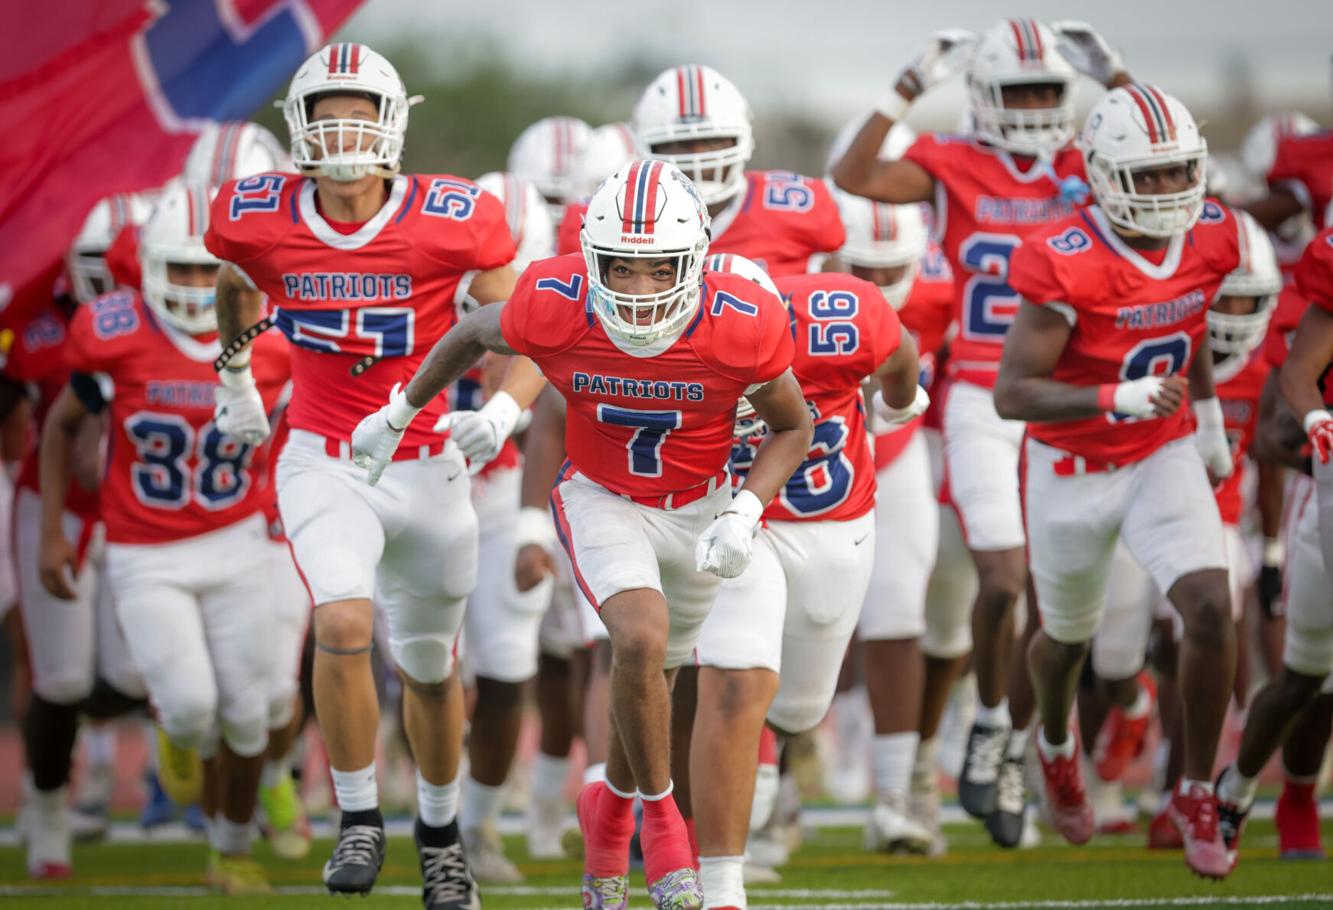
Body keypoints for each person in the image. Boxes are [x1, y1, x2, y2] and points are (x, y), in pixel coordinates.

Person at [350, 159, 813, 910]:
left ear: (695, 260)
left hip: (701, 504)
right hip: (602, 495)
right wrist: (400, 414)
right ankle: (661, 824)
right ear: (593, 260)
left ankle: (608, 814)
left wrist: (745, 509)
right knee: (639, 639)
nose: (638, 287)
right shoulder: (558, 300)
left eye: (658, 267)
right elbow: (472, 331)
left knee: (661, 680)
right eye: (620, 267)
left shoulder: (741, 318)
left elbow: (794, 425)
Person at [204, 43, 518, 908]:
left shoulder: (454, 219)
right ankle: (357, 817)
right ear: (298, 127)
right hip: (322, 454)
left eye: (360, 113)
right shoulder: (257, 213)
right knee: (340, 619)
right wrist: (235, 377)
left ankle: (441, 834)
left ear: (393, 124)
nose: (344, 130)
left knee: (429, 670)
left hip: (427, 464)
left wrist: (501, 412)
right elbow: (236, 281)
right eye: (328, 114)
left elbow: (523, 327)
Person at [830, 18, 1131, 845]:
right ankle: (985, 729)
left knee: (1056, 603)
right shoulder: (952, 161)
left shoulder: (1086, 163)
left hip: (1067, 397)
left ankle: (1003, 739)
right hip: (980, 396)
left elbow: (1170, 173)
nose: (1033, 107)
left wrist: (1118, 82)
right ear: (984, 97)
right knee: (998, 583)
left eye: (1046, 90)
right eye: (1017, 91)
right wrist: (905, 86)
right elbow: (852, 174)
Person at [994, 84, 1242, 879]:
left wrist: (1205, 417)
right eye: (1149, 175)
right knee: (1064, 642)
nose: (1169, 190)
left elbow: (1186, 323)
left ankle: (1195, 790)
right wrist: (1111, 396)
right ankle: (1055, 743)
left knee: (1211, 608)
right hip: (1070, 465)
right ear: (1103, 176)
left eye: (1179, 171)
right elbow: (1011, 393)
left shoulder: (1213, 234)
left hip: (1159, 453)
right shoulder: (1065, 255)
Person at [41, 183, 289, 893]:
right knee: (189, 707)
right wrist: (53, 531)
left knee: (249, 714)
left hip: (239, 541)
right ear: (148, 264)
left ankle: (230, 849)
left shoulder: (275, 341)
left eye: (207, 270)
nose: (193, 284)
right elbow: (61, 425)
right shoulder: (113, 331)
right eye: (179, 267)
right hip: (145, 549)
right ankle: (178, 734)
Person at [688, 252, 925, 908]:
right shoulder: (664, 342)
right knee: (734, 677)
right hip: (733, 519)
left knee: (798, 708)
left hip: (831, 518)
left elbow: (900, 351)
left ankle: (766, 756)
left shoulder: (841, 315)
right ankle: (721, 885)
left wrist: (898, 404)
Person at [16, 192, 153, 879]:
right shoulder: (36, 318)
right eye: (98, 258)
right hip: (59, 507)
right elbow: (34, 424)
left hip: (138, 515)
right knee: (62, 677)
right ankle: (47, 808)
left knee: (136, 671)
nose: (113, 272)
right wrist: (48, 533)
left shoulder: (169, 316)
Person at [1217, 226, 1333, 862]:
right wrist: (1317, 426)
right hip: (1324, 493)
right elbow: (1292, 387)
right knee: (1307, 682)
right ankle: (1243, 791)